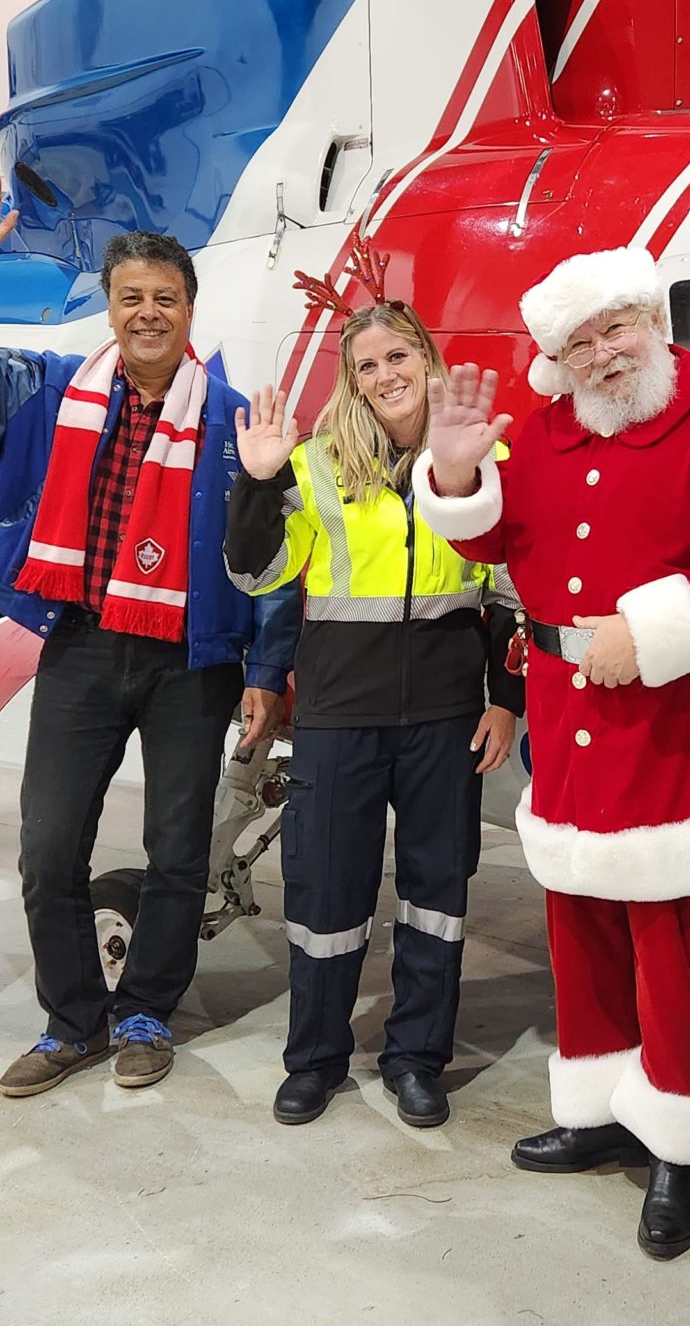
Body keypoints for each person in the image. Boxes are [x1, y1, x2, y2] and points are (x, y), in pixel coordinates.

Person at [416, 246, 690, 1260]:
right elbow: (487, 541)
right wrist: (454, 471)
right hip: (574, 720)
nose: (602, 353)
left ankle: (679, 1140)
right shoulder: (541, 434)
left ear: (654, 323)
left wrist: (657, 629)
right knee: (582, 926)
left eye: (615, 328)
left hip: (680, 726)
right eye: (578, 342)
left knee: (685, 942)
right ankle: (598, 1108)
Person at [0, 171, 295, 1098]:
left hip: (190, 661)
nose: (150, 313)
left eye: (167, 298)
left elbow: (276, 554)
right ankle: (71, 1019)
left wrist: (268, 665)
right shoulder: (49, 396)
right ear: (111, 309)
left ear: (191, 309)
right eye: (133, 299)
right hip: (80, 645)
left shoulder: (236, 420)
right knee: (47, 849)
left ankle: (147, 1010)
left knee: (174, 850)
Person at [226, 301, 522, 1130]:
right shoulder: (315, 464)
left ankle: (416, 1057)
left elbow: (508, 593)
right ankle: (314, 1058)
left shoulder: (482, 456)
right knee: (325, 892)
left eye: (399, 356)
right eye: (367, 365)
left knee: (438, 892)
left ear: (426, 359)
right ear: (351, 381)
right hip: (338, 715)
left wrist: (506, 702)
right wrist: (257, 480)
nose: (386, 375)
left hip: (446, 714)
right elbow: (253, 574)